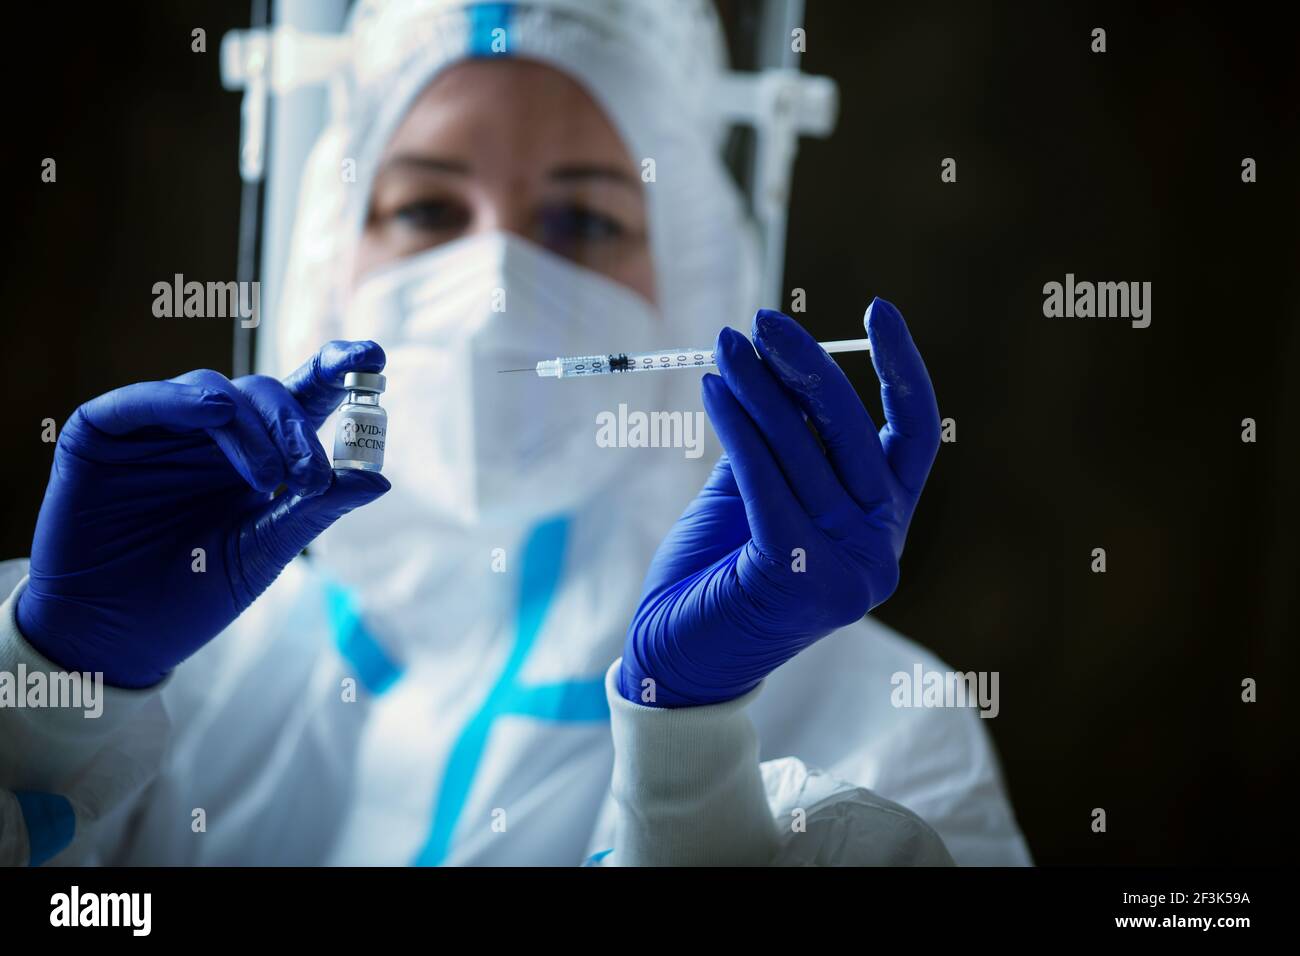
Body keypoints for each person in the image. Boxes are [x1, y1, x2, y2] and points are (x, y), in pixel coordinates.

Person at [0, 0, 1030, 866]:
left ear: (696, 284)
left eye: (580, 223)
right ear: (328, 264)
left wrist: (693, 775)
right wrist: (48, 691)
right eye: (425, 210)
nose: (494, 282)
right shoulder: (198, 673)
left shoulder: (882, 720)